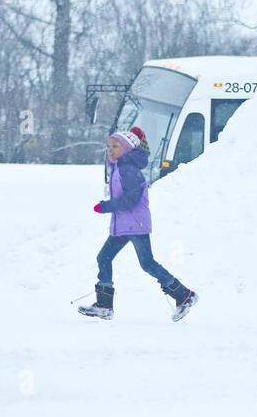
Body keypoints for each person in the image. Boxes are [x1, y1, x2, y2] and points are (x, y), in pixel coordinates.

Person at [78, 127, 198, 321]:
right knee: (104, 257)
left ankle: (184, 295)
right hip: (125, 224)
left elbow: (131, 200)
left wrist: (106, 206)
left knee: (146, 263)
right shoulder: (119, 167)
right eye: (109, 146)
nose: (110, 150)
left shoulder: (128, 169)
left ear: (126, 149)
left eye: (115, 146)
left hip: (135, 223)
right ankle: (104, 305)